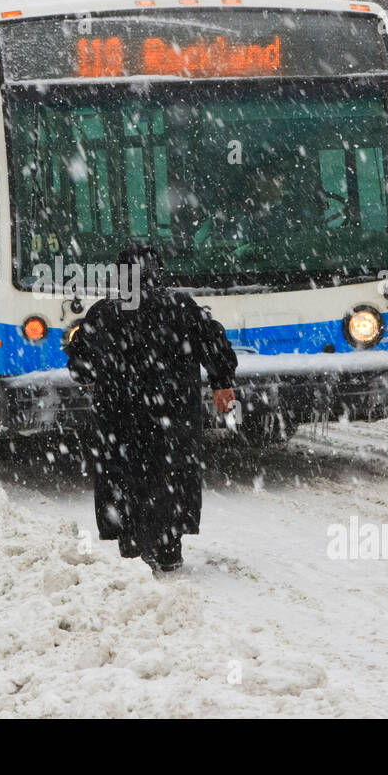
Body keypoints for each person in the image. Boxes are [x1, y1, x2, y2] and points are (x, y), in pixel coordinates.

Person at [66, 243, 237, 572]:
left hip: (120, 418)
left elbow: (80, 364)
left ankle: (131, 546)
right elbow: (214, 341)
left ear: (120, 276)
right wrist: (221, 382)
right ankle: (169, 547)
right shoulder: (181, 307)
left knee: (125, 478)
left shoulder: (105, 313)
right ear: (158, 272)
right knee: (168, 477)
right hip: (172, 415)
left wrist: (91, 375)